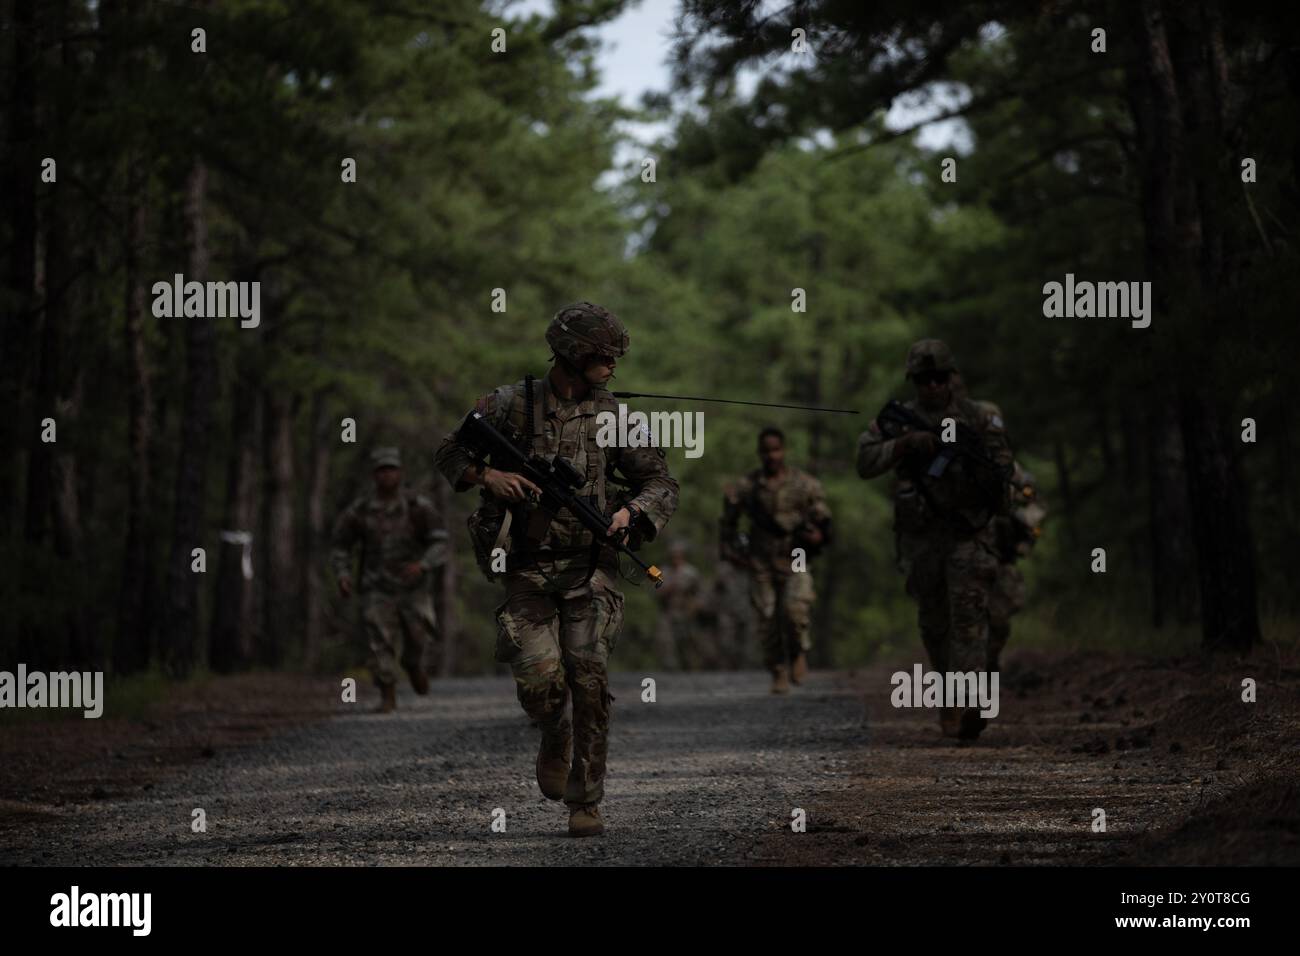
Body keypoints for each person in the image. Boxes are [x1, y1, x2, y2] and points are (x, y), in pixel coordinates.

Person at [434, 302, 678, 837]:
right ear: (573, 354)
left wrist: (629, 513)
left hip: (590, 568)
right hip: (525, 568)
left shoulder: (616, 419)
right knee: (541, 686)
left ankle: (586, 800)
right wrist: (488, 476)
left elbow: (661, 484)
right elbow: (448, 453)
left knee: (589, 679)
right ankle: (554, 732)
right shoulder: (506, 407)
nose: (612, 367)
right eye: (603, 358)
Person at [856, 339, 1013, 739]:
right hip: (923, 539)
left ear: (952, 377)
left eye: (939, 378)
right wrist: (905, 444)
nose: (932, 387)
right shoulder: (900, 419)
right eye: (924, 380)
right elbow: (865, 460)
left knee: (970, 620)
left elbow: (1004, 472)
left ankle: (971, 701)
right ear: (914, 381)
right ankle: (950, 698)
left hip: (968, 535)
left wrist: (967, 455)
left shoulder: (980, 416)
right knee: (934, 625)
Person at [330, 447, 449, 713]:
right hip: (376, 586)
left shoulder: (417, 506)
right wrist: (343, 574)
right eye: (382, 470)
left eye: (391, 469)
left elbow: (440, 542)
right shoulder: (361, 510)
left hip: (413, 587)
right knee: (379, 641)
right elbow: (340, 545)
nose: (387, 475)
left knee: (419, 640)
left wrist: (423, 564)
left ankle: (413, 665)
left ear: (400, 472)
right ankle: (387, 694)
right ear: (374, 475)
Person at [719, 427, 832, 694]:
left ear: (784, 450)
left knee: (795, 612)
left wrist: (818, 536)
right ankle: (778, 670)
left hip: (796, 557)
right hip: (761, 560)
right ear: (760, 453)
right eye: (766, 451)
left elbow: (824, 521)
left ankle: (797, 651)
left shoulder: (805, 485)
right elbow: (728, 523)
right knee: (767, 618)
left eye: (776, 450)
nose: (772, 456)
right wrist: (731, 550)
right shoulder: (747, 487)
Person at [652, 540, 702, 670]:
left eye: (678, 554)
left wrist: (695, 607)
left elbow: (699, 592)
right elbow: (655, 592)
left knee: (687, 645)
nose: (675, 557)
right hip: (668, 612)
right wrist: (666, 590)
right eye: (673, 554)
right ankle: (670, 670)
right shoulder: (662, 572)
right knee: (665, 642)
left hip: (685, 612)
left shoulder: (691, 572)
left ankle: (691, 670)